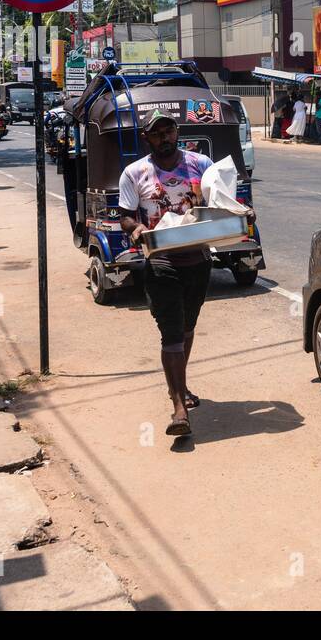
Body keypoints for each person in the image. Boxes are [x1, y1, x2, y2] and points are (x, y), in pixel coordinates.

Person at [118, 110, 230, 438]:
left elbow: (221, 202)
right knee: (171, 333)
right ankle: (178, 405)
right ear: (146, 137)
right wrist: (136, 227)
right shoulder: (134, 173)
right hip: (160, 260)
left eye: (169, 131)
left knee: (187, 327)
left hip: (198, 259)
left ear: (177, 131)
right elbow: (121, 214)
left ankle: (180, 385)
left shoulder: (201, 165)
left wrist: (240, 211)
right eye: (157, 134)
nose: (164, 138)